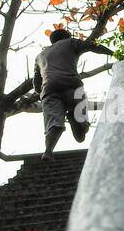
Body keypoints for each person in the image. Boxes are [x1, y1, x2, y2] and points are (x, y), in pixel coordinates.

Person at [33, 29, 113, 160]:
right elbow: (92, 46)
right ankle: (75, 120)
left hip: (49, 89)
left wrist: (43, 92)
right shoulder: (69, 43)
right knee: (81, 133)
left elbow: (37, 84)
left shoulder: (40, 56)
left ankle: (48, 151)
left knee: (54, 123)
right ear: (66, 36)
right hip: (72, 85)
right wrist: (113, 53)